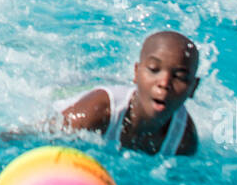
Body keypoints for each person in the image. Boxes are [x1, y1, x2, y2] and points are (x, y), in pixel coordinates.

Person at [59, 31, 200, 157]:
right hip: (63, 93)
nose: (164, 83)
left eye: (180, 77)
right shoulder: (97, 112)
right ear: (136, 72)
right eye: (153, 69)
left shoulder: (183, 140)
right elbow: (42, 136)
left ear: (193, 87)